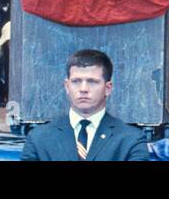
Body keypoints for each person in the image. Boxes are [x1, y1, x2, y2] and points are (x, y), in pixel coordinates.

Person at [20, 49, 150, 160]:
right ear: (67, 86)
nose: (83, 89)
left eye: (92, 82)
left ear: (108, 88)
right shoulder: (39, 138)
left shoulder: (131, 139)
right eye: (76, 81)